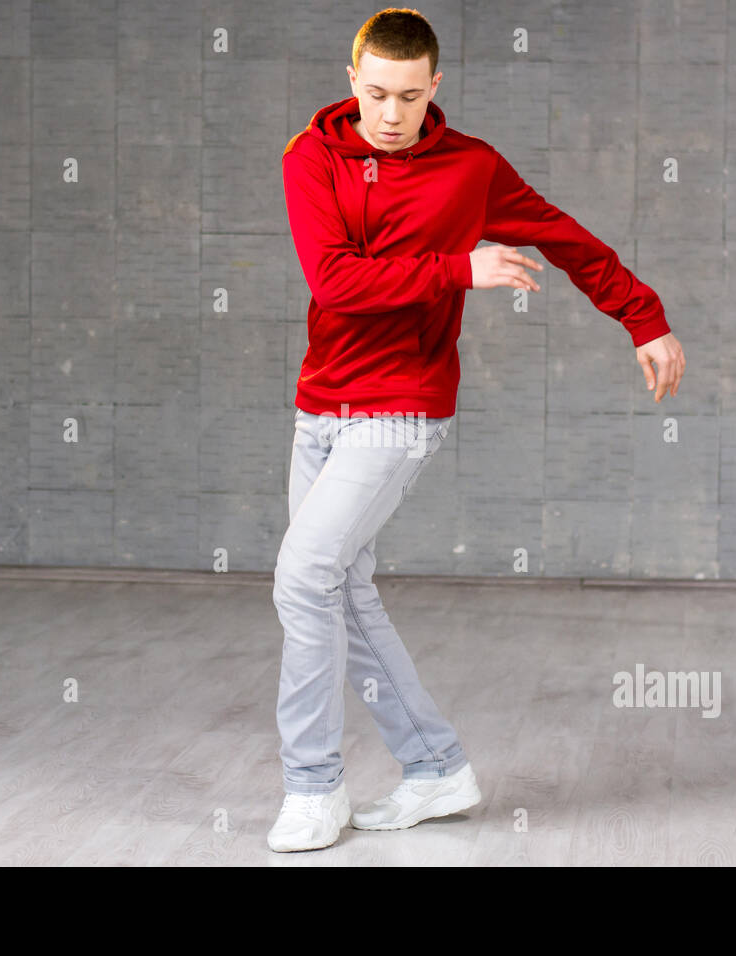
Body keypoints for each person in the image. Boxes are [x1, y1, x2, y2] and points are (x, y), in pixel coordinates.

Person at [268, 7, 686, 852]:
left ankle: (312, 787)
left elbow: (566, 240)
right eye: (377, 94)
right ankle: (436, 769)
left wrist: (644, 317)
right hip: (321, 407)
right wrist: (461, 268)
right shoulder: (311, 156)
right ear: (352, 82)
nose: (391, 116)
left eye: (410, 97)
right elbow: (337, 281)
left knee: (302, 579)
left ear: (436, 90)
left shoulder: (471, 169)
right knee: (340, 589)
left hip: (403, 404)